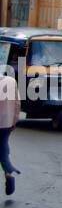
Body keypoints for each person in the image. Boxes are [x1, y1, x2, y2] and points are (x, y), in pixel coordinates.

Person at [0, 67, 18, 196]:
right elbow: (17, 104)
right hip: (6, 123)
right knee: (3, 146)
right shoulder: (11, 82)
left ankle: (8, 170)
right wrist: (14, 121)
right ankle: (8, 172)